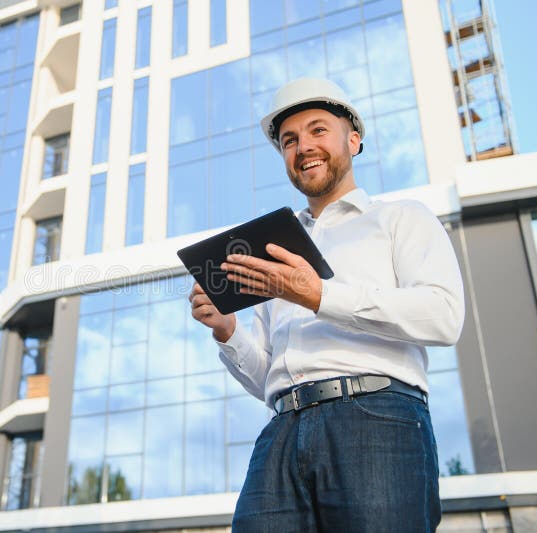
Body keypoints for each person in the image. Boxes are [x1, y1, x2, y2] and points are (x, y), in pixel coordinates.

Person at [188, 78, 465, 532]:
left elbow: (444, 317)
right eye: (289, 140)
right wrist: (228, 330)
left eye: (318, 131)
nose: (303, 148)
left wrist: (316, 295)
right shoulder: (269, 252)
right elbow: (267, 380)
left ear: (353, 140)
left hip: (377, 419)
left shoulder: (401, 219)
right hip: (281, 431)